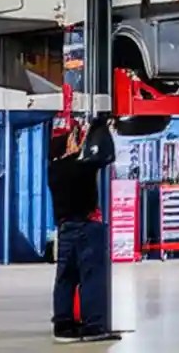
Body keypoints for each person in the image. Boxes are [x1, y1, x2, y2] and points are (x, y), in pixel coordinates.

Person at [48, 121, 121, 343]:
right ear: (67, 147)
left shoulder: (54, 170)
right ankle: (94, 326)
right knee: (92, 277)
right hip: (86, 228)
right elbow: (106, 155)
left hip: (66, 229)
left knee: (66, 278)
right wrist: (101, 125)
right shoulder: (79, 166)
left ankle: (63, 325)